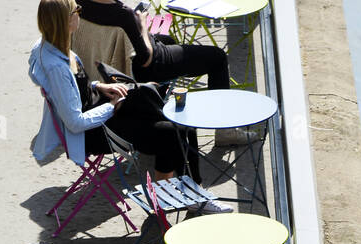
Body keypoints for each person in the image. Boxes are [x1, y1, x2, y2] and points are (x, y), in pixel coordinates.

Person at [30, 0, 226, 193]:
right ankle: (168, 199)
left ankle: (194, 192)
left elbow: (73, 87)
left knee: (180, 123)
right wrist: (112, 105)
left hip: (98, 108)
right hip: (92, 132)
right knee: (171, 132)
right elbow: (75, 122)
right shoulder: (57, 66)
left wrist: (100, 85)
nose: (80, 12)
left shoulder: (48, 45)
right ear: (65, 21)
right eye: (76, 10)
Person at [79, 0, 230, 90]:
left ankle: (161, 97)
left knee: (168, 39)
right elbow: (147, 59)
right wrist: (143, 25)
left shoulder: (77, 4)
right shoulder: (123, 15)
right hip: (146, 66)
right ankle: (225, 131)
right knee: (218, 57)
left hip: (106, 58)